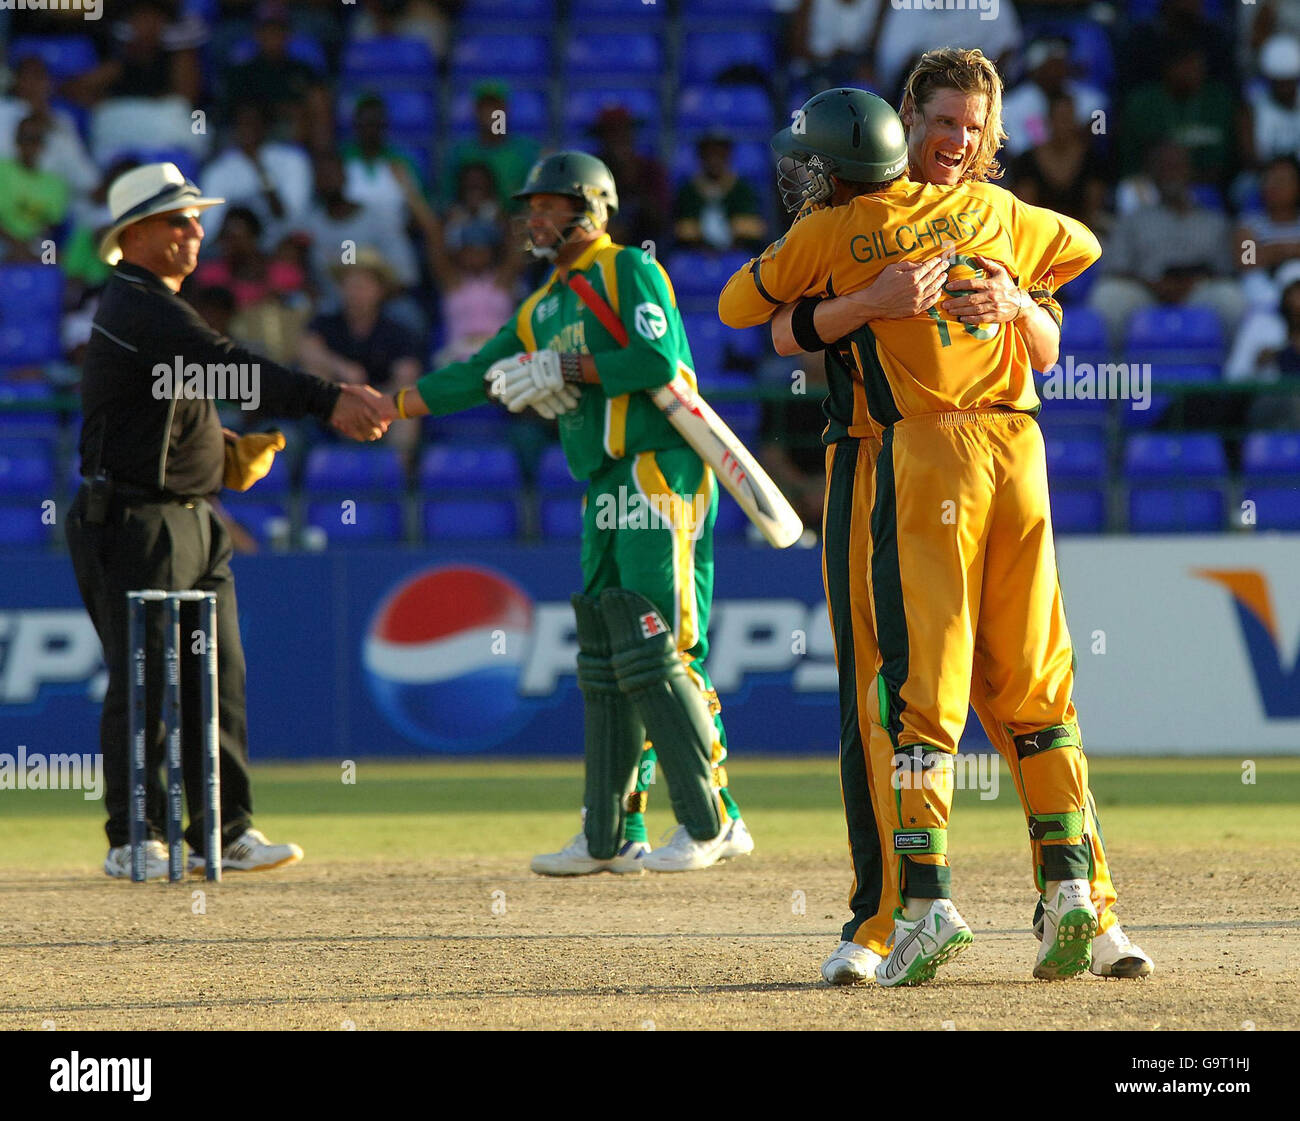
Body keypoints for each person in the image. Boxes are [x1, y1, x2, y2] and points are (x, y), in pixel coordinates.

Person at [720, 75, 1146, 986]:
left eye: (974, 123)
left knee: (912, 689)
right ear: (906, 120)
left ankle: (921, 905)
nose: (958, 136)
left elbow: (749, 315)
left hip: (918, 453)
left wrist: (1019, 304)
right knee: (1030, 689)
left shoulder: (885, 220)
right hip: (970, 448)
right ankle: (1061, 898)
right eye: (944, 120)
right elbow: (783, 330)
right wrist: (892, 300)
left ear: (991, 131)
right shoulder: (985, 213)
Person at [392, 151, 752, 874]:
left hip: (659, 468)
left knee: (660, 643)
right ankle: (610, 833)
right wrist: (393, 404)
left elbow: (658, 361)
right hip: (603, 483)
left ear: (592, 204)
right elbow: (477, 373)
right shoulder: (541, 304)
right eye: (530, 207)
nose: (532, 218)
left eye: (547, 205)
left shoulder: (629, 271)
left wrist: (569, 368)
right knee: (607, 651)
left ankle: (715, 819)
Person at [64, 162, 391, 881]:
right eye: (178, 219)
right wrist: (328, 397)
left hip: (191, 516)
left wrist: (218, 454)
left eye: (194, 217)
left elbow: (190, 389)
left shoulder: (155, 307)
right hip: (132, 519)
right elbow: (228, 368)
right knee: (144, 679)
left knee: (218, 676)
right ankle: (134, 835)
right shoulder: (139, 305)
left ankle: (227, 825)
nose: (195, 229)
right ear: (136, 233)